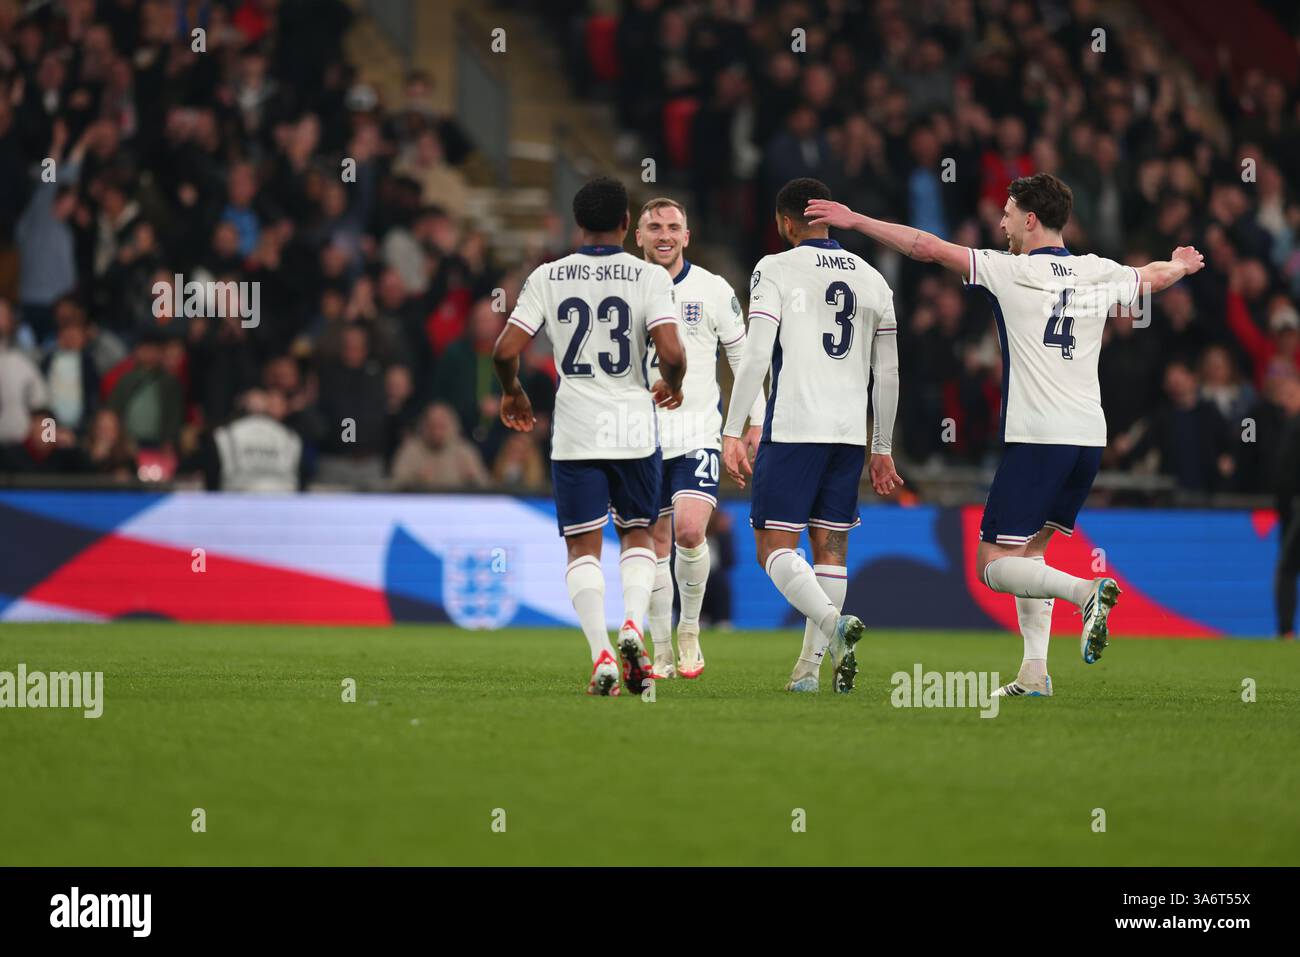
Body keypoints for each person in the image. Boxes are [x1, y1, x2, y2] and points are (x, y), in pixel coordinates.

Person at [806, 172, 1205, 697]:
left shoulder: (1007, 270)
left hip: (1037, 437)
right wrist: (1180, 263)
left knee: (993, 567)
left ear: (1031, 219)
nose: (1002, 222)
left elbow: (926, 247)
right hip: (1088, 439)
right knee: (1030, 554)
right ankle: (1034, 673)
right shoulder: (1097, 270)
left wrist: (856, 221)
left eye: (1009, 212)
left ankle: (1086, 591)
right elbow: (1151, 277)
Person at [491, 176, 686, 697]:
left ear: (579, 225)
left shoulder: (548, 276)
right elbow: (673, 352)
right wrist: (675, 383)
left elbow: (505, 350)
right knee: (639, 533)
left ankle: (601, 654)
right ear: (627, 223)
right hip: (633, 426)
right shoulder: (650, 278)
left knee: (582, 549)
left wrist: (512, 392)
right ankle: (632, 625)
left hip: (575, 428)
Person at [721, 178, 899, 694]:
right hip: (848, 435)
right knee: (831, 550)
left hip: (795, 425)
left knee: (773, 547)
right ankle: (808, 672)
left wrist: (733, 430)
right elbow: (887, 374)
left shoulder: (773, 268)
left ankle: (833, 625)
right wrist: (881, 447)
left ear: (785, 222)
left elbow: (756, 354)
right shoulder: (873, 279)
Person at [635, 197, 766, 680]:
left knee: (690, 531)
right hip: (640, 440)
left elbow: (744, 358)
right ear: (640, 237)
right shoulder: (626, 289)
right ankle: (662, 646)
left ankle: (690, 630)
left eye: (673, 226)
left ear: (686, 236)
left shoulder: (711, 289)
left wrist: (754, 420)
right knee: (654, 544)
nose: (664, 234)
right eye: (655, 227)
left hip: (696, 434)